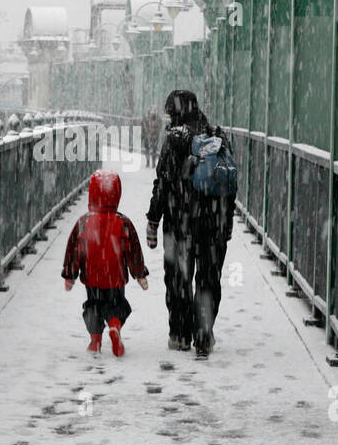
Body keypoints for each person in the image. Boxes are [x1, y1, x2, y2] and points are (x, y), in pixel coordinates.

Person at [145, 90, 235, 358]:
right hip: (213, 222)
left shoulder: (175, 140)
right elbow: (230, 183)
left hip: (180, 221)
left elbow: (162, 183)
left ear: (175, 113)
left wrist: (153, 218)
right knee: (208, 279)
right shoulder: (217, 136)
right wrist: (225, 223)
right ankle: (203, 335)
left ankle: (179, 334)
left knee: (178, 279)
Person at [62, 169, 149, 357]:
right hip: (115, 275)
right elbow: (133, 250)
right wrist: (139, 273)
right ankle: (115, 325)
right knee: (117, 304)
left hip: (91, 275)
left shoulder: (84, 222)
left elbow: (73, 249)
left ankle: (95, 340)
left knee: (93, 305)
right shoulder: (122, 222)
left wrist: (70, 275)